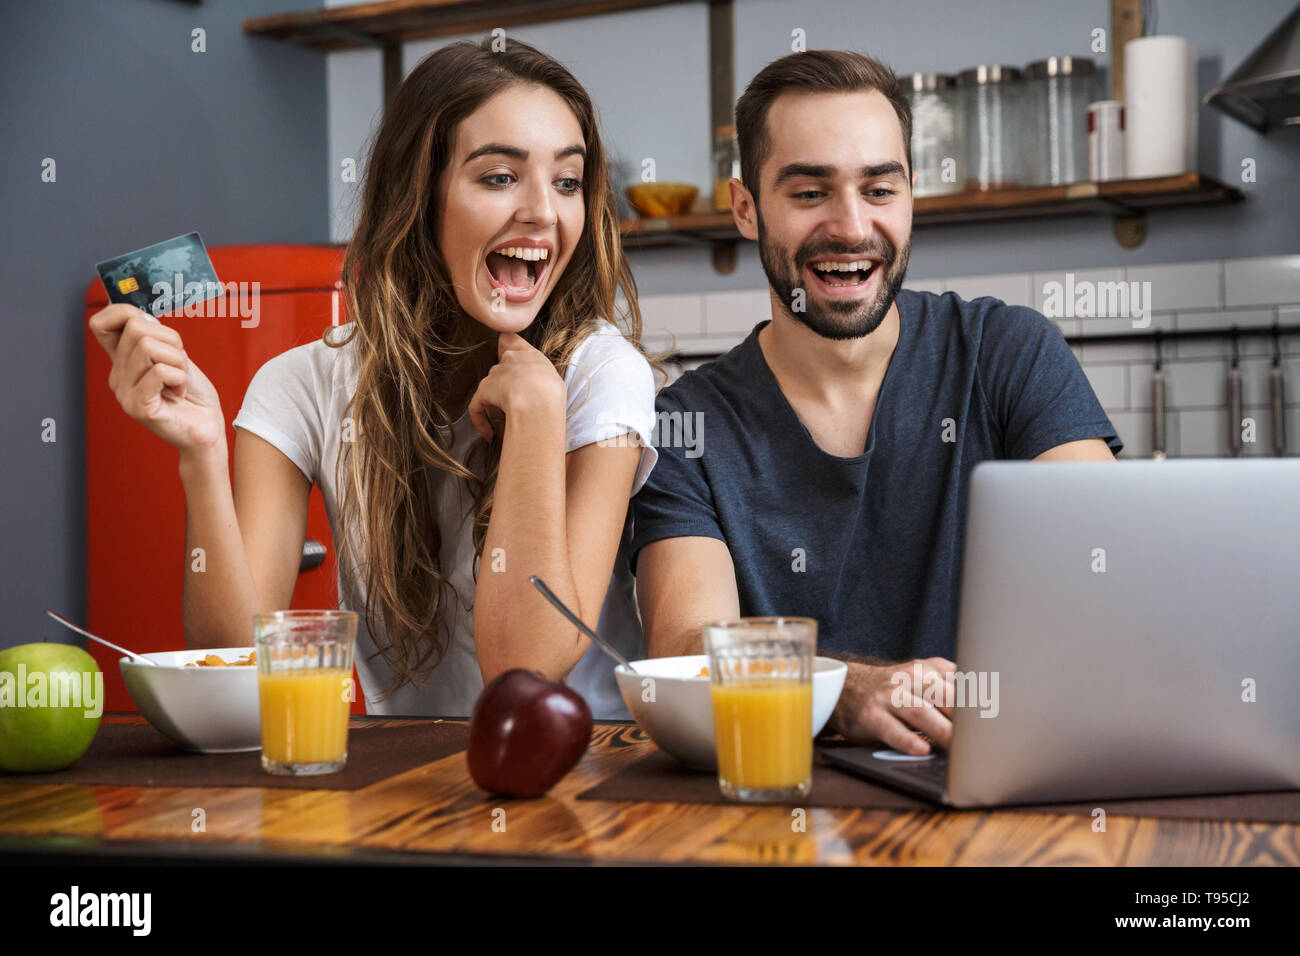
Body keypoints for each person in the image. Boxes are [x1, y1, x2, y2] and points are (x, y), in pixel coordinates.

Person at [89, 39, 657, 718]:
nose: (543, 210)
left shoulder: (602, 373)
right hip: (406, 782)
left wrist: (536, 417)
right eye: (500, 177)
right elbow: (233, 662)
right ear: (416, 198)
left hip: (589, 779)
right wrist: (201, 455)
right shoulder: (299, 385)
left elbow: (526, 666)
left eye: (567, 181)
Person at [631, 49, 1120, 754]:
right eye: (809, 193)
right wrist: (845, 693)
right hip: (781, 821)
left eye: (880, 190)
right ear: (745, 208)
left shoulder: (1007, 351)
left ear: (912, 194)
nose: (852, 227)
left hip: (1008, 784)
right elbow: (684, 650)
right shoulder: (686, 429)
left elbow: (1106, 575)